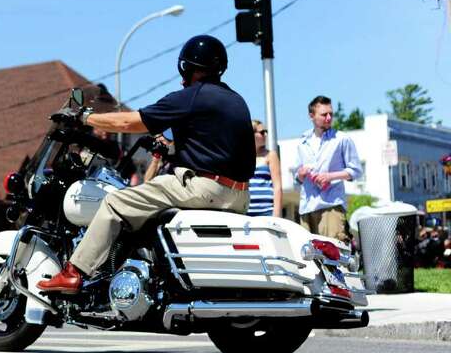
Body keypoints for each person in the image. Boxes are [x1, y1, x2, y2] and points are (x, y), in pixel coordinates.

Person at [38, 34, 254, 294]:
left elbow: (128, 122)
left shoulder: (192, 96)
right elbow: (215, 149)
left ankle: (74, 272)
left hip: (205, 189)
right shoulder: (235, 99)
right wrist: (171, 151)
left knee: (115, 202)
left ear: (188, 66)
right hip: (239, 196)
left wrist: (83, 117)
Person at [293, 95, 362, 243]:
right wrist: (300, 174)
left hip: (331, 205)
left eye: (331, 114)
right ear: (311, 116)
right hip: (307, 207)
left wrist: (330, 176)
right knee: (308, 253)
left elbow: (356, 171)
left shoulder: (342, 139)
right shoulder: (303, 141)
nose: (329, 118)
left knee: (333, 251)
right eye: (324, 114)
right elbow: (296, 178)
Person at [246, 120, 283, 217]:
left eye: (266, 132)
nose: (266, 135)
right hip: (245, 212)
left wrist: (276, 216)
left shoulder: (271, 155)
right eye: (262, 132)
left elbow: (277, 187)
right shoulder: (242, 157)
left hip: (266, 212)